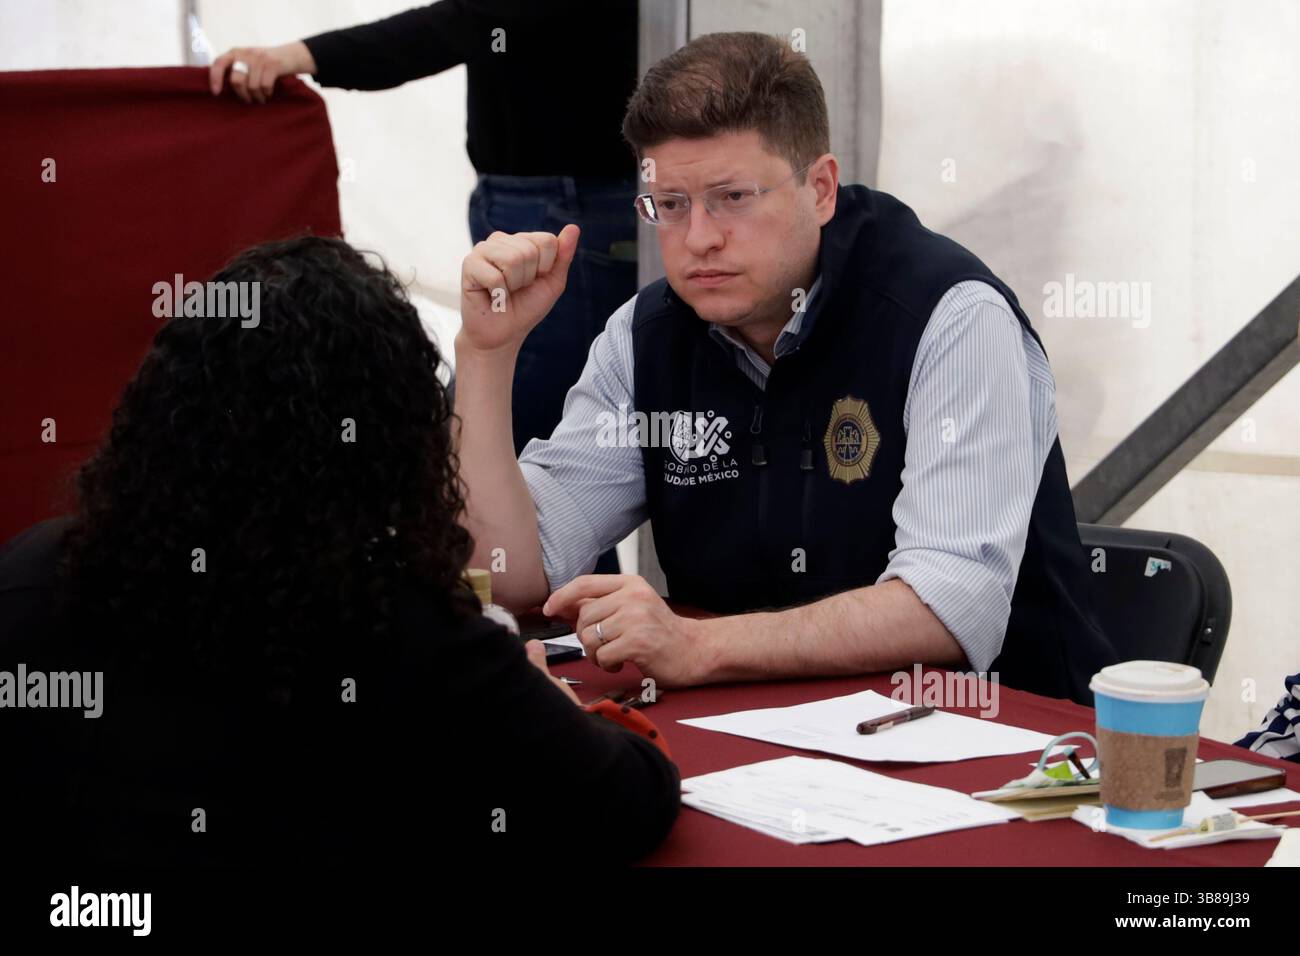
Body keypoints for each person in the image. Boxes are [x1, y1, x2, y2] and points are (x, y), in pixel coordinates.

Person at [453, 32, 1118, 704]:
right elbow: (508, 574)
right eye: (671, 205)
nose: (700, 237)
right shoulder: (645, 335)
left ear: (821, 188)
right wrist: (485, 354)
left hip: (1005, 753)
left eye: (733, 197)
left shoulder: (946, 316)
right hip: (761, 744)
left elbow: (948, 604)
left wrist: (699, 647)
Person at [0, 236, 678, 866]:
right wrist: (546, 700)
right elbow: (626, 801)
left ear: (156, 408)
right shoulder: (401, 630)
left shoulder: (33, 580)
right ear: (396, 446)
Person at [210, 1, 635, 574]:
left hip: (566, 206)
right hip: (552, 201)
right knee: (534, 448)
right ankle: (563, 631)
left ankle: (560, 635)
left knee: (514, 449)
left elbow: (460, 25)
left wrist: (300, 55)